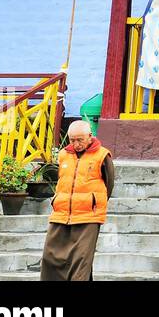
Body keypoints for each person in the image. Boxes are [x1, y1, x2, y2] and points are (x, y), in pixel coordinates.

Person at [40, 119, 114, 281]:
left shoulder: (102, 155)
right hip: (61, 212)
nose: (76, 144)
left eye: (80, 140)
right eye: (72, 140)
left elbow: (109, 184)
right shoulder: (63, 155)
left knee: (81, 259)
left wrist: (93, 202)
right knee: (50, 256)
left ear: (90, 136)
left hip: (88, 215)